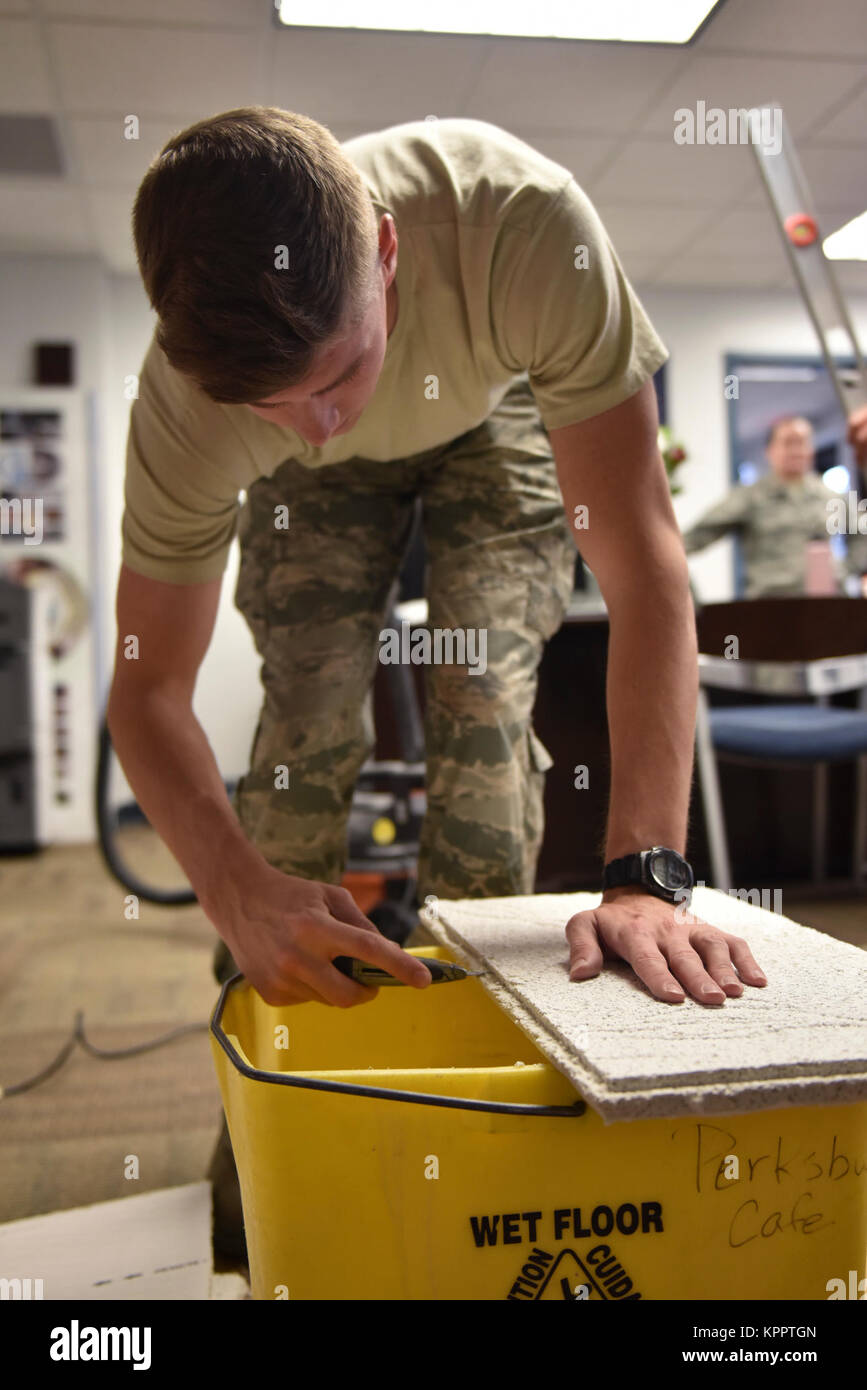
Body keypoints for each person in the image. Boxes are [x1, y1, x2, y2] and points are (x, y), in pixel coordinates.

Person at [107, 108, 768, 1258]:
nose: (320, 429)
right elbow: (146, 685)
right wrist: (232, 889)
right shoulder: (195, 407)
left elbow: (647, 571)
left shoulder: (523, 225)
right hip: (321, 454)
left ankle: (473, 1124)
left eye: (342, 377)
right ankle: (274, 1123)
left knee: (482, 709)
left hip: (495, 409)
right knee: (303, 729)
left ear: (390, 250)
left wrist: (647, 874)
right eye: (279, 408)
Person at [683, 415, 867, 598]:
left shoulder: (831, 496)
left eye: (802, 443)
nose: (796, 451)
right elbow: (690, 540)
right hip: (771, 604)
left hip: (826, 602)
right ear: (770, 450)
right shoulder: (750, 497)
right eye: (788, 443)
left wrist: (843, 570)